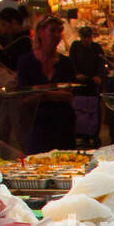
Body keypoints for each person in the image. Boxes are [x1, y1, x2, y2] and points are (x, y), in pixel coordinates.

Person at [16, 15, 77, 154]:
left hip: (63, 124)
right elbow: (25, 98)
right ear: (40, 32)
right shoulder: (26, 61)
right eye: (52, 31)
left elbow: (69, 96)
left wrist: (42, 93)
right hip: (37, 124)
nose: (56, 35)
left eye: (59, 31)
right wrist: (54, 93)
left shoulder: (66, 63)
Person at [68, 26, 107, 145]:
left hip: (93, 84)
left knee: (94, 109)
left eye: (88, 37)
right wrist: (76, 74)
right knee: (80, 109)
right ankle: (83, 134)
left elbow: (102, 63)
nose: (86, 40)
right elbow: (71, 62)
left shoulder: (96, 48)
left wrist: (99, 77)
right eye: (84, 37)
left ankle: (94, 135)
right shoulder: (75, 46)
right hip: (80, 84)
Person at [0, 8, 31, 89]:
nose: (2, 29)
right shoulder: (14, 40)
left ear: (13, 23)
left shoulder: (24, 41)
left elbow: (14, 64)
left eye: (3, 25)